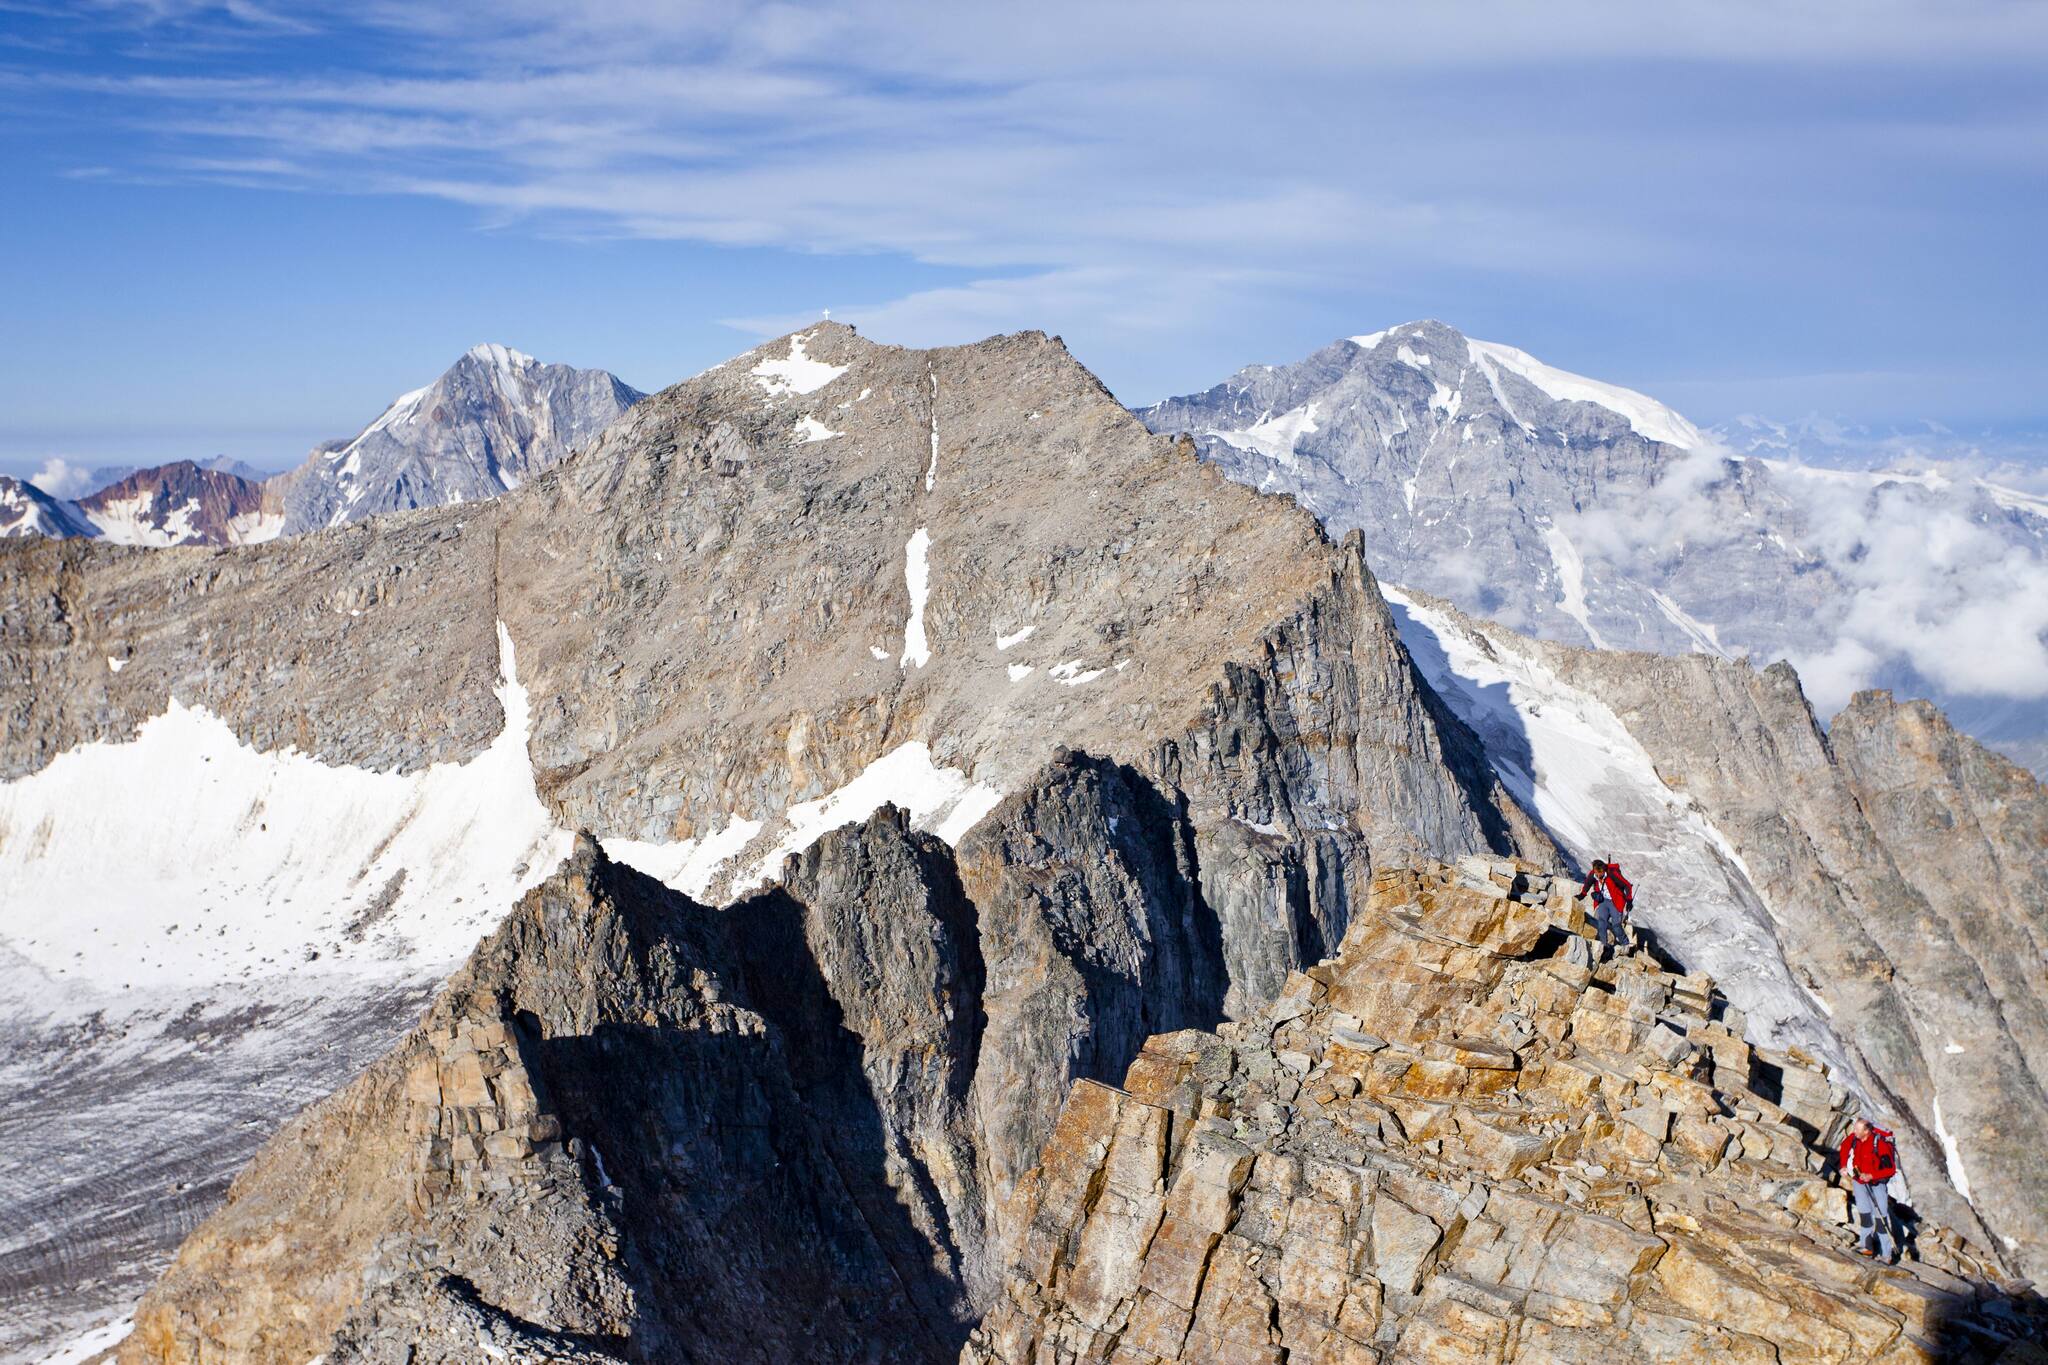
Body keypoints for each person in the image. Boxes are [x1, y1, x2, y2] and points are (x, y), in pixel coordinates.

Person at [1838, 1116, 1901, 1261]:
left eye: (1857, 1129)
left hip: (1877, 1184)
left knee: (1880, 1218)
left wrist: (1872, 1175)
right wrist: (1843, 1165)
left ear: (1866, 1131)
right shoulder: (1855, 1138)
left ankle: (1886, 1254)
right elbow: (1845, 1146)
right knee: (1865, 1213)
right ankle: (1866, 1247)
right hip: (1859, 1181)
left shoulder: (1880, 1144)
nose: (1854, 1131)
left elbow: (1890, 1170)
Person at [1576, 859, 1635, 959]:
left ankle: (1625, 944)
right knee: (1601, 922)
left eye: (1601, 874)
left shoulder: (1612, 874)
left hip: (1615, 901)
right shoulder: (1593, 874)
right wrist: (1582, 894)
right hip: (1603, 901)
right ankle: (1603, 946)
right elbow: (1587, 883)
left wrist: (1629, 900)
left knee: (1616, 925)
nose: (1599, 876)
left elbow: (1627, 885)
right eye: (1597, 874)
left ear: (1604, 870)